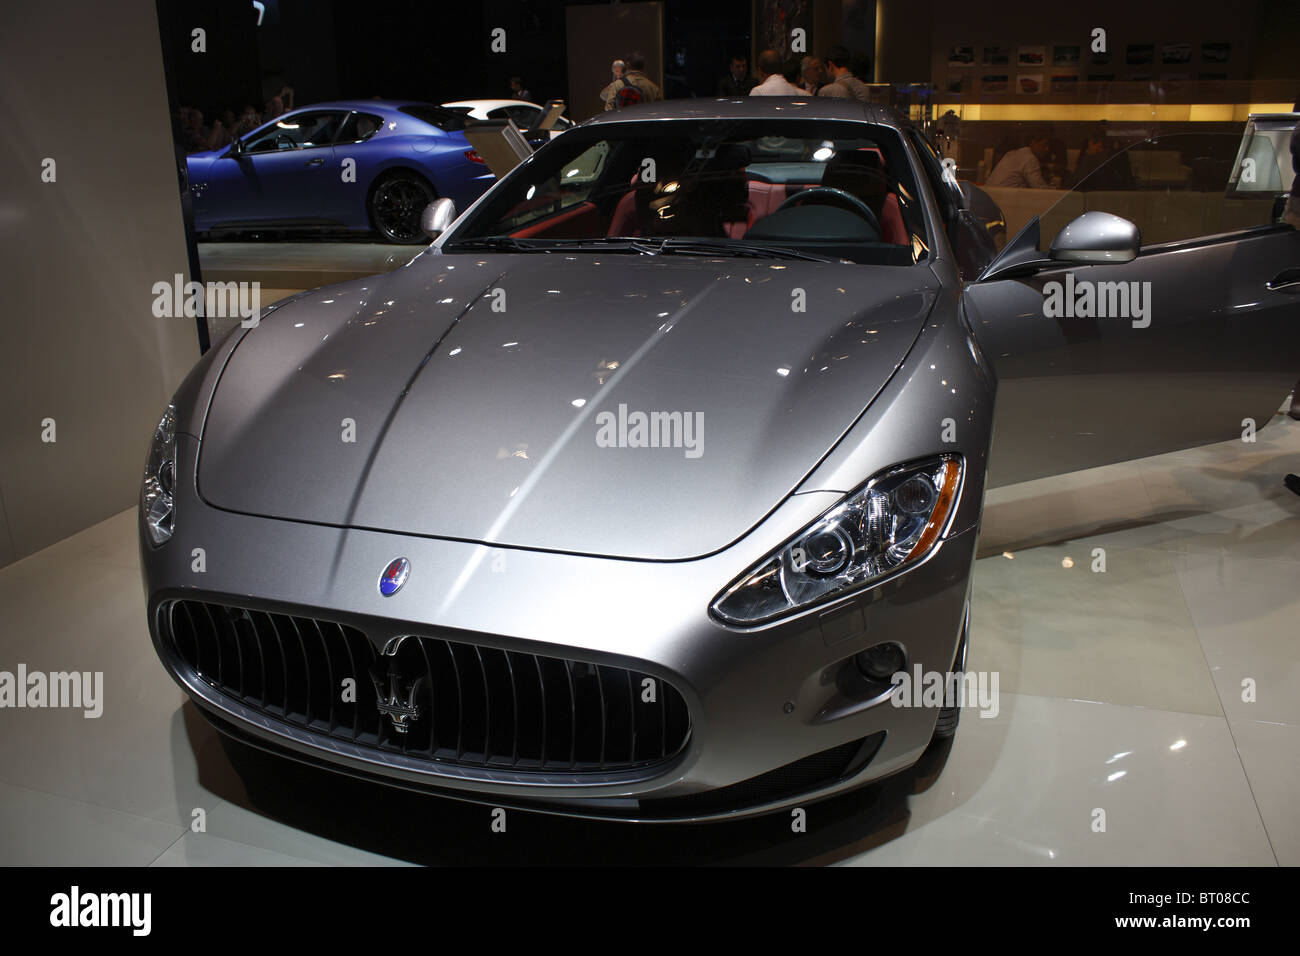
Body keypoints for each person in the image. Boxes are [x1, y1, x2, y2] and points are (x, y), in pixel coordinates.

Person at [985, 130, 1053, 188]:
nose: (1047, 149)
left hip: (990, 194)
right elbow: (1038, 186)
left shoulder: (1016, 153)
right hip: (1001, 198)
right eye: (1044, 145)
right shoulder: (1030, 158)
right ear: (1033, 143)